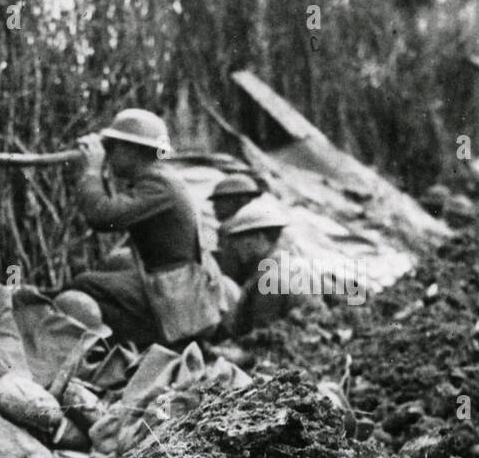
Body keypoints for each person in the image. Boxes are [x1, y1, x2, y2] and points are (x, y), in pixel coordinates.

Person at [59, 109, 221, 348]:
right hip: (176, 288)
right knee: (113, 265)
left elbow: (103, 217)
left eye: (112, 147)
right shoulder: (158, 178)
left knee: (85, 283)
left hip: (178, 294)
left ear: (131, 150)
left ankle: (143, 343)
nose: (109, 155)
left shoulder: (158, 184)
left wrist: (92, 172)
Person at [216, 196, 313, 334]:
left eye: (240, 239)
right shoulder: (299, 265)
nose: (236, 246)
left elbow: (260, 340)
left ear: (259, 238)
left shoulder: (269, 280)